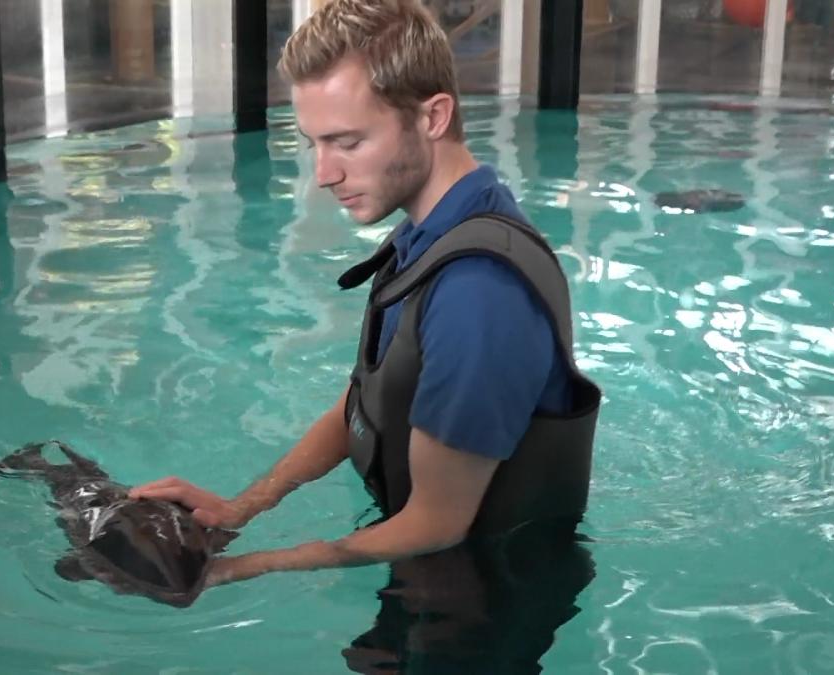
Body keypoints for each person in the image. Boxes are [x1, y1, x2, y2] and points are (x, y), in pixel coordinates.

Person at [129, 0, 602, 588]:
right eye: (315, 144)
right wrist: (243, 508)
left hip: (484, 600)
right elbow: (368, 398)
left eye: (348, 142)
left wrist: (241, 569)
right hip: (427, 563)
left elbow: (437, 524)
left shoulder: (479, 294)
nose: (324, 173)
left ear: (432, 117)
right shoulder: (432, 233)